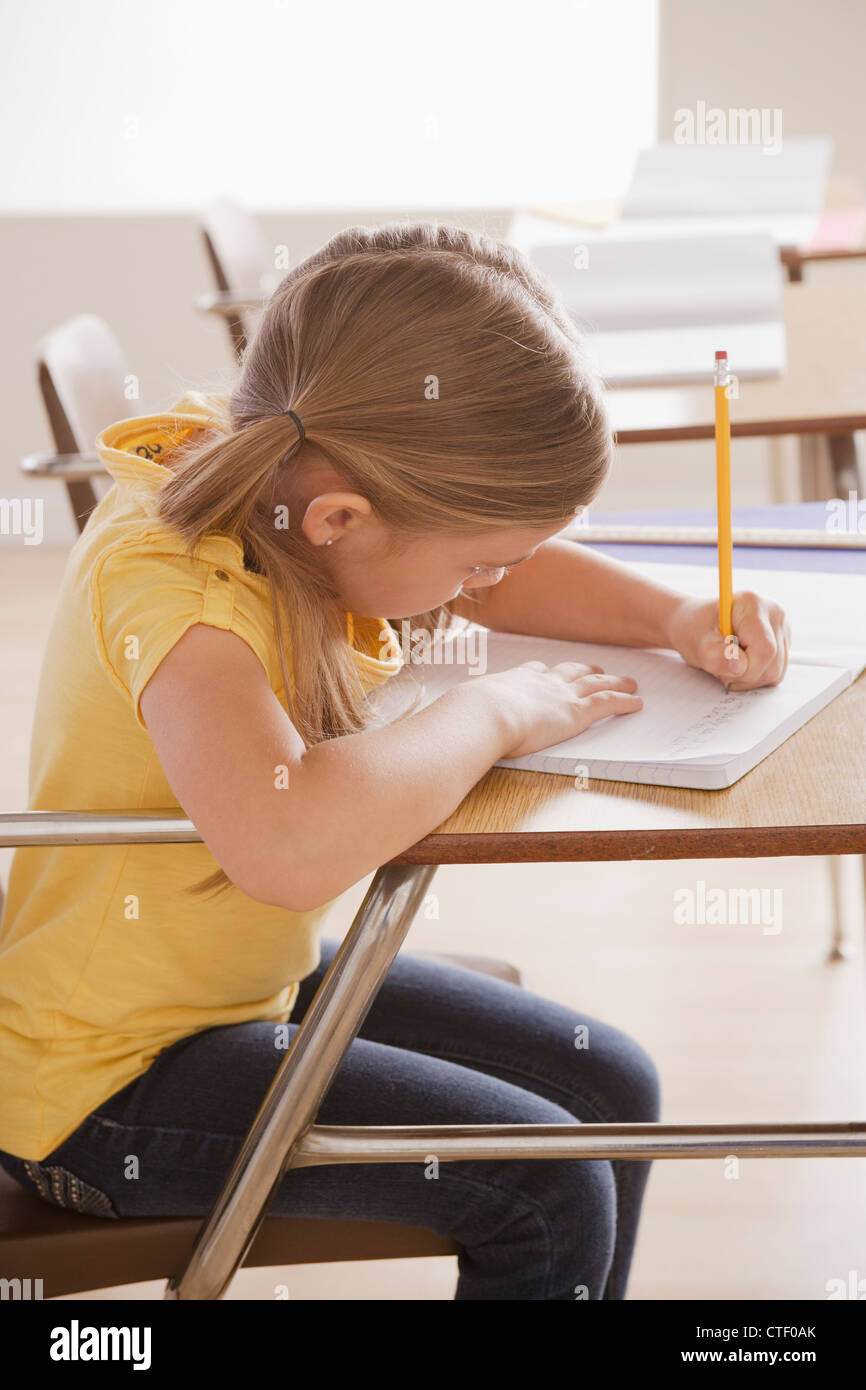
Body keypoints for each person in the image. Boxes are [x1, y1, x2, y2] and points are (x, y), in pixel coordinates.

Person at [0, 221, 789, 1299]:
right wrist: (495, 709)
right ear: (341, 517)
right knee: (542, 1183)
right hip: (102, 1084)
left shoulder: (287, 474)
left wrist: (677, 614)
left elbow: (475, 564)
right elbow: (287, 842)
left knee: (610, 1085)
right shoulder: (181, 598)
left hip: (236, 987)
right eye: (472, 565)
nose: (482, 586)